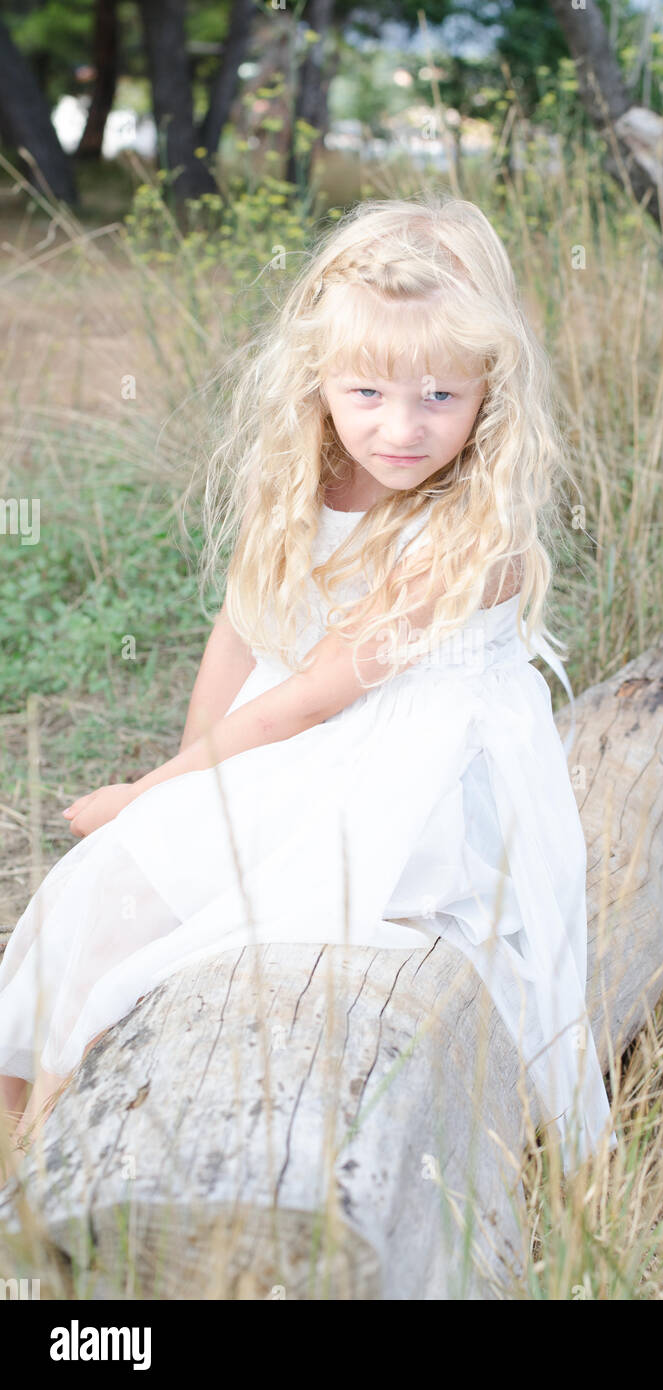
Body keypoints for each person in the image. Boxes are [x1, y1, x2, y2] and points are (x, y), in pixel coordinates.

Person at [0, 194, 616, 1180]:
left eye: (439, 398)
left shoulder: (473, 529)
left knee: (185, 914)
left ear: (490, 389)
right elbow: (243, 633)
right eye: (368, 393)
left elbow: (315, 696)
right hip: (305, 744)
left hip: (417, 792)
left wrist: (142, 797)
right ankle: (31, 1159)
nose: (402, 430)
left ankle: (87, 1166)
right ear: (318, 379)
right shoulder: (308, 473)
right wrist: (179, 780)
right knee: (91, 896)